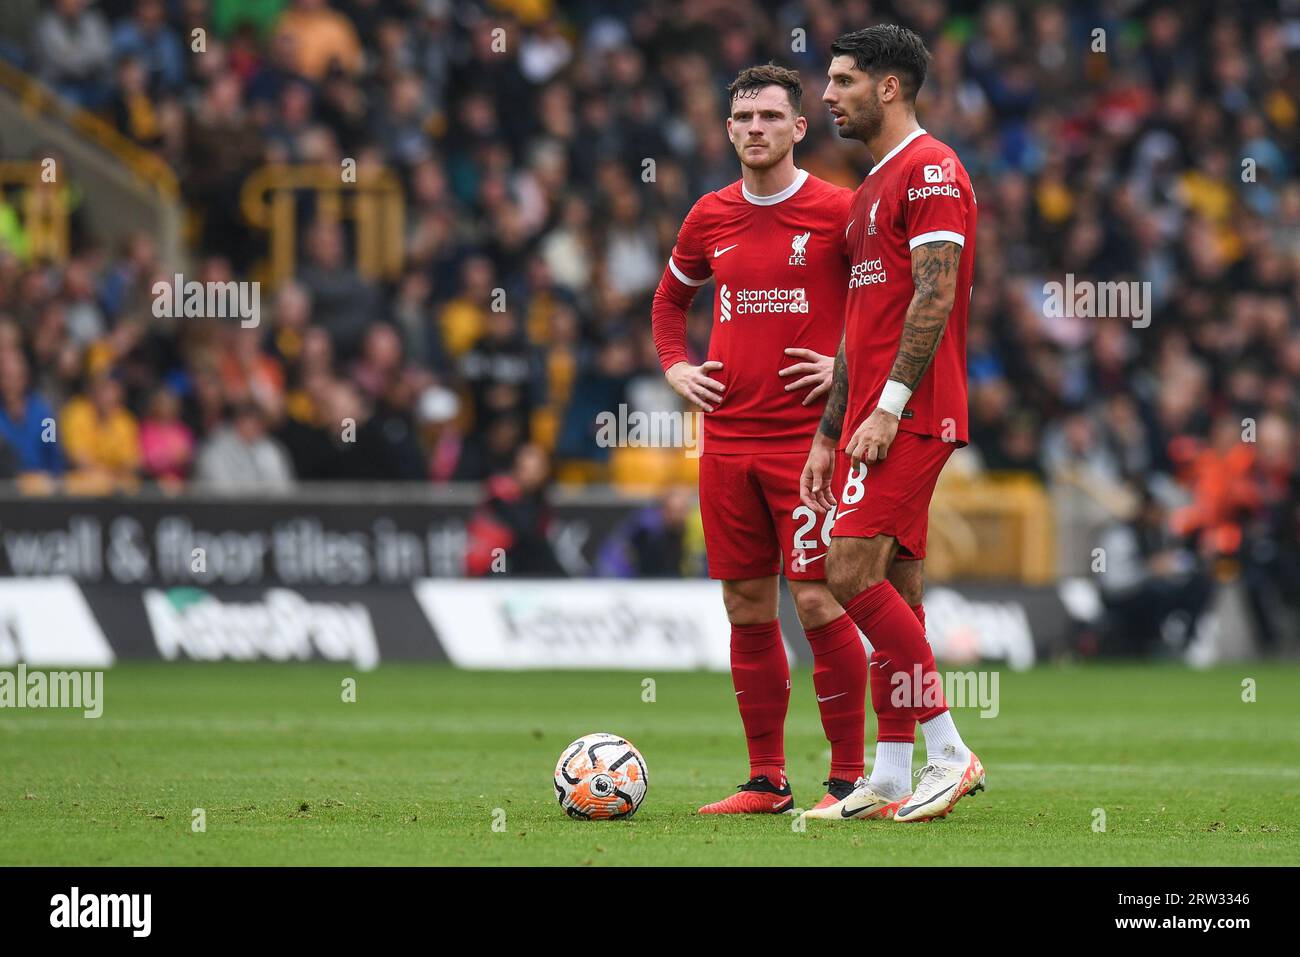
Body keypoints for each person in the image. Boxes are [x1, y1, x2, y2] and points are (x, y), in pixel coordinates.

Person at [653, 64, 867, 815]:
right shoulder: (709, 215)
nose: (754, 129)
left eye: (770, 117)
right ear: (727, 128)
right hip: (726, 441)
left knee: (816, 597)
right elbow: (670, 299)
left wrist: (843, 365)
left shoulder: (841, 211)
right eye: (742, 117)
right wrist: (678, 368)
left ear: (799, 128)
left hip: (806, 443)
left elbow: (887, 304)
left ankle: (848, 777)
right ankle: (767, 779)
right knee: (746, 604)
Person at [801, 25, 985, 822]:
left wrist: (887, 409)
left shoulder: (933, 170)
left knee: (848, 573)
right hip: (872, 418)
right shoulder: (869, 189)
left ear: (888, 86)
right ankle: (890, 770)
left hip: (911, 414)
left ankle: (950, 751)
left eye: (843, 80)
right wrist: (828, 431)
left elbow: (934, 297)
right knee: (900, 591)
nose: (828, 94)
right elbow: (856, 329)